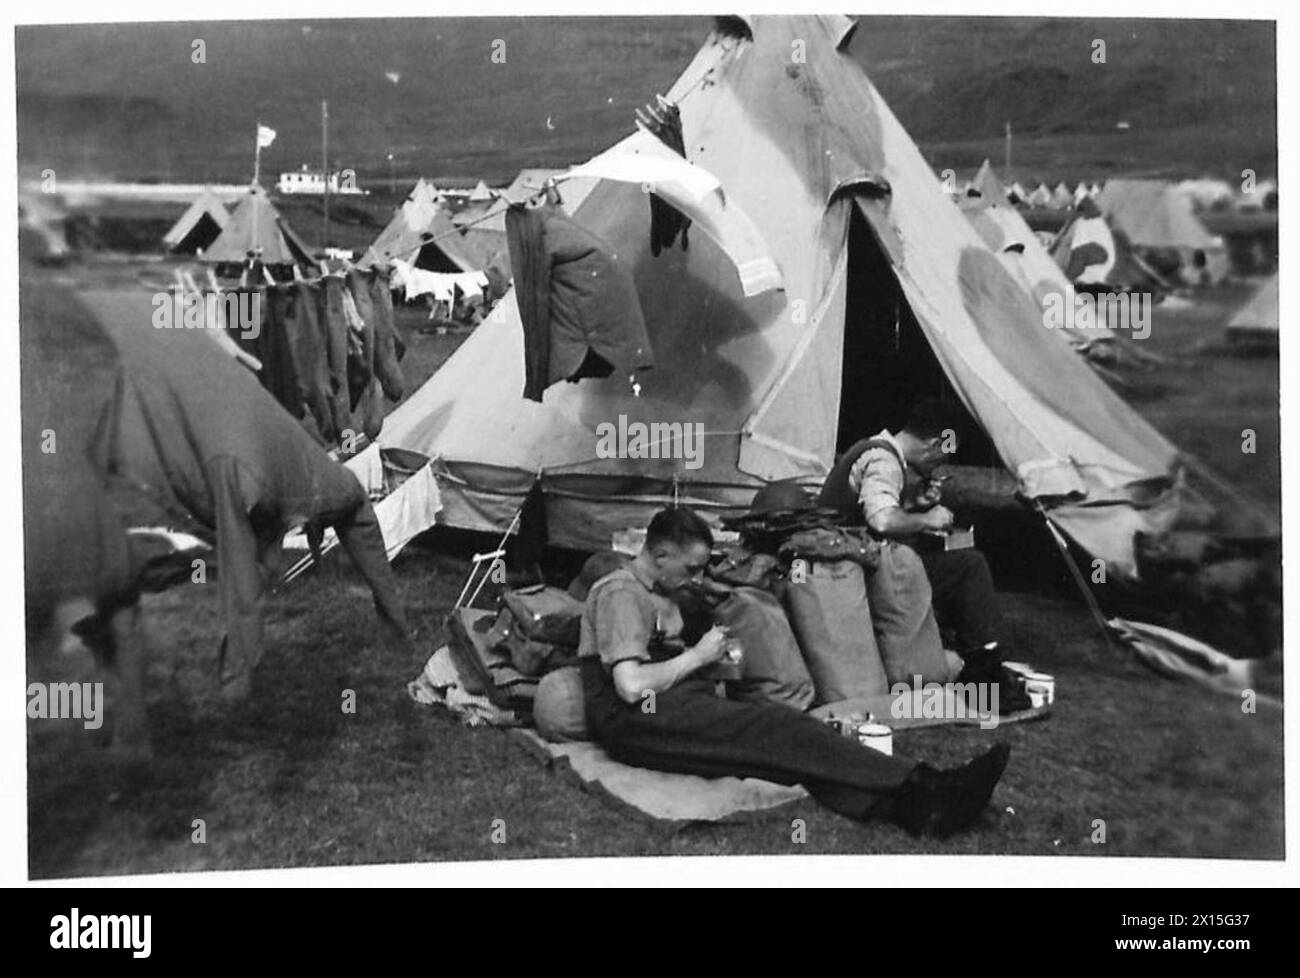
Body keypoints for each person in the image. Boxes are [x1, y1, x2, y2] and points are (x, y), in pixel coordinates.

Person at [579, 506, 1011, 837]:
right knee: (776, 726)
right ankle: (928, 782)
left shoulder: (655, 590)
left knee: (785, 756)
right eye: (690, 568)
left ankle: (916, 811)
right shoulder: (621, 593)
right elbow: (631, 686)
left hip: (663, 710)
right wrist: (697, 656)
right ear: (659, 553)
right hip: (633, 720)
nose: (694, 578)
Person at [818, 399, 1028, 702]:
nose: (940, 465)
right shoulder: (884, 461)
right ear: (934, 443)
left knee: (945, 561)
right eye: (943, 454)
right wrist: (927, 518)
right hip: (856, 571)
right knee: (969, 566)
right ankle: (985, 665)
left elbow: (875, 508)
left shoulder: (873, 446)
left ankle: (963, 655)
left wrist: (913, 505)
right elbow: (883, 519)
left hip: (846, 562)